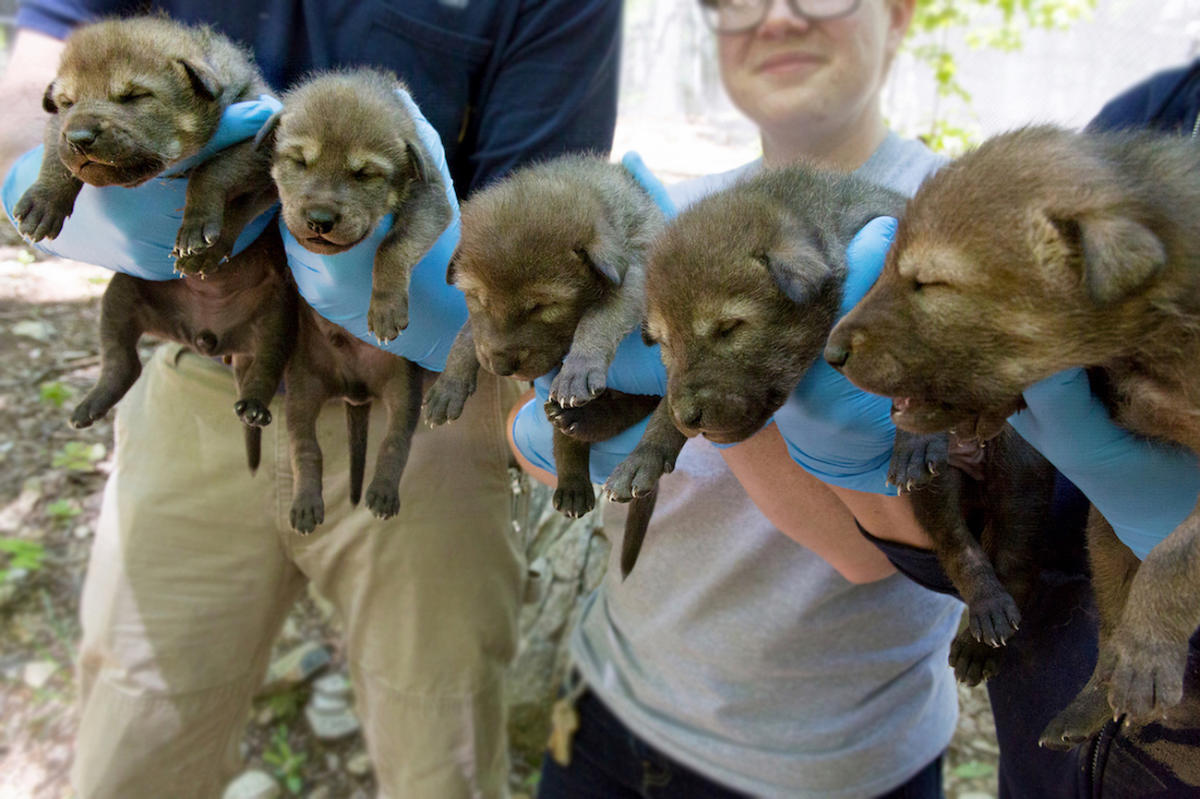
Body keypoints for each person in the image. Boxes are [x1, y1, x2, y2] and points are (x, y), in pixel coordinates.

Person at [0, 2, 621, 798]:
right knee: (135, 738)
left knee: (442, 748)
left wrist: (411, 282)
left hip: (421, 398)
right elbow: (40, 87)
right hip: (204, 373)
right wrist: (52, 173)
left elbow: (535, 212)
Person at [511, 1, 965, 796]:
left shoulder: (944, 236)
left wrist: (709, 404)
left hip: (827, 765)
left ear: (898, 14)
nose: (778, 19)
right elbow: (556, 459)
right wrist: (547, 415)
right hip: (612, 708)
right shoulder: (669, 218)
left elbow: (873, 554)